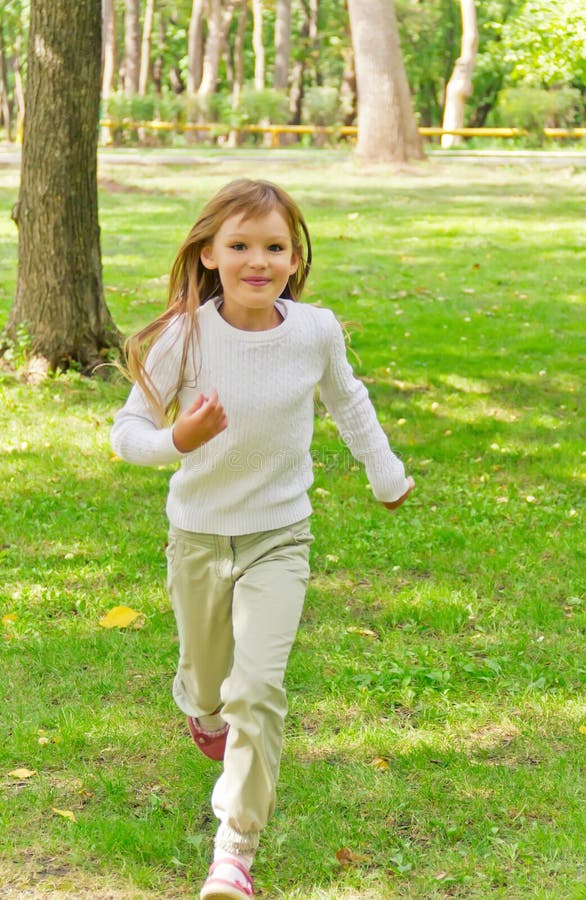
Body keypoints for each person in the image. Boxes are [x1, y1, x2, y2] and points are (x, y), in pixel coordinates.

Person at [110, 178, 415, 900]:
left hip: (279, 536)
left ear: (294, 257)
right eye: (240, 245)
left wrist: (386, 474)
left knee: (258, 689)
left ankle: (234, 851)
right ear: (209, 254)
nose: (258, 260)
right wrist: (177, 440)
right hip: (198, 538)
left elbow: (349, 402)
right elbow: (127, 433)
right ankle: (200, 705)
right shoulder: (185, 335)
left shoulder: (314, 331)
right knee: (210, 683)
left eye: (275, 247)